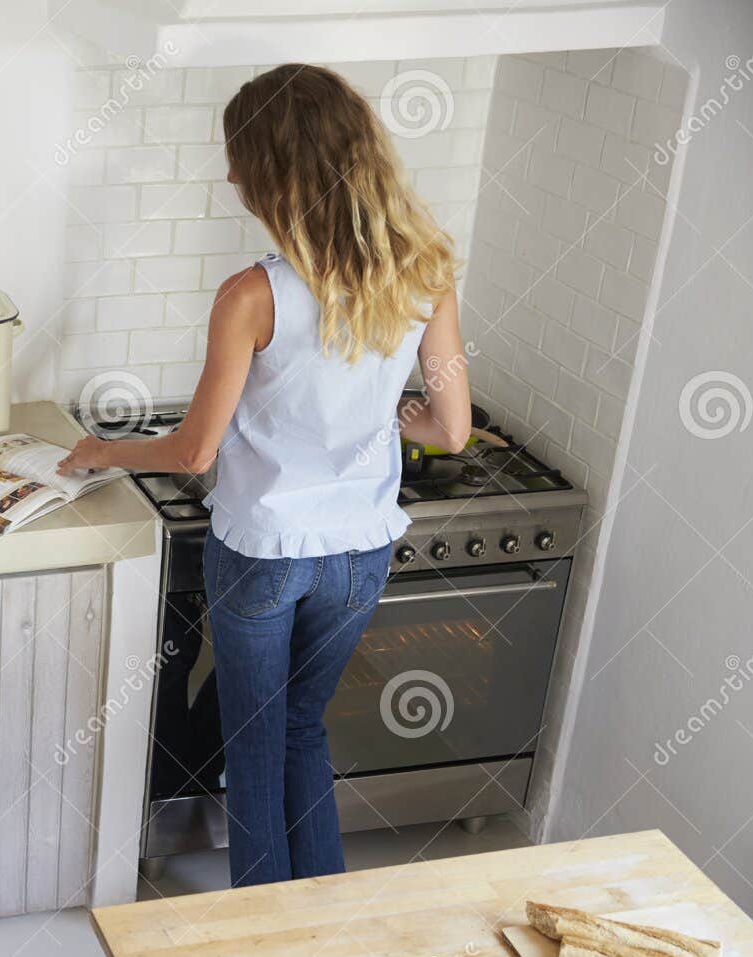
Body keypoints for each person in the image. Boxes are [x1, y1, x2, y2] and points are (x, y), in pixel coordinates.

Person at [58, 64, 474, 887]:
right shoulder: (426, 273)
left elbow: (192, 453)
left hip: (265, 551)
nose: (231, 175)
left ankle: (263, 929)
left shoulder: (254, 295)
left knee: (253, 739)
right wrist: (387, 418)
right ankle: (319, 921)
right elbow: (452, 428)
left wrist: (101, 451)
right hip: (361, 551)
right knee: (300, 730)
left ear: (280, 173)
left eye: (240, 158)